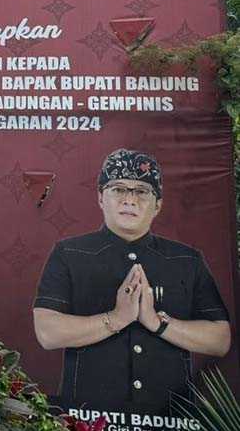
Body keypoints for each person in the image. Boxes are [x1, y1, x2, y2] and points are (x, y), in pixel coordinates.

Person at [33, 149, 231, 410]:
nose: (130, 199)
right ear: (101, 198)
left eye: (141, 190)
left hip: (168, 419)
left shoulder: (187, 260)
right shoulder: (70, 253)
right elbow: (47, 332)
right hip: (87, 420)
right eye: (118, 189)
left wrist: (157, 323)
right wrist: (116, 318)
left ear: (158, 204)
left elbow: (220, 340)